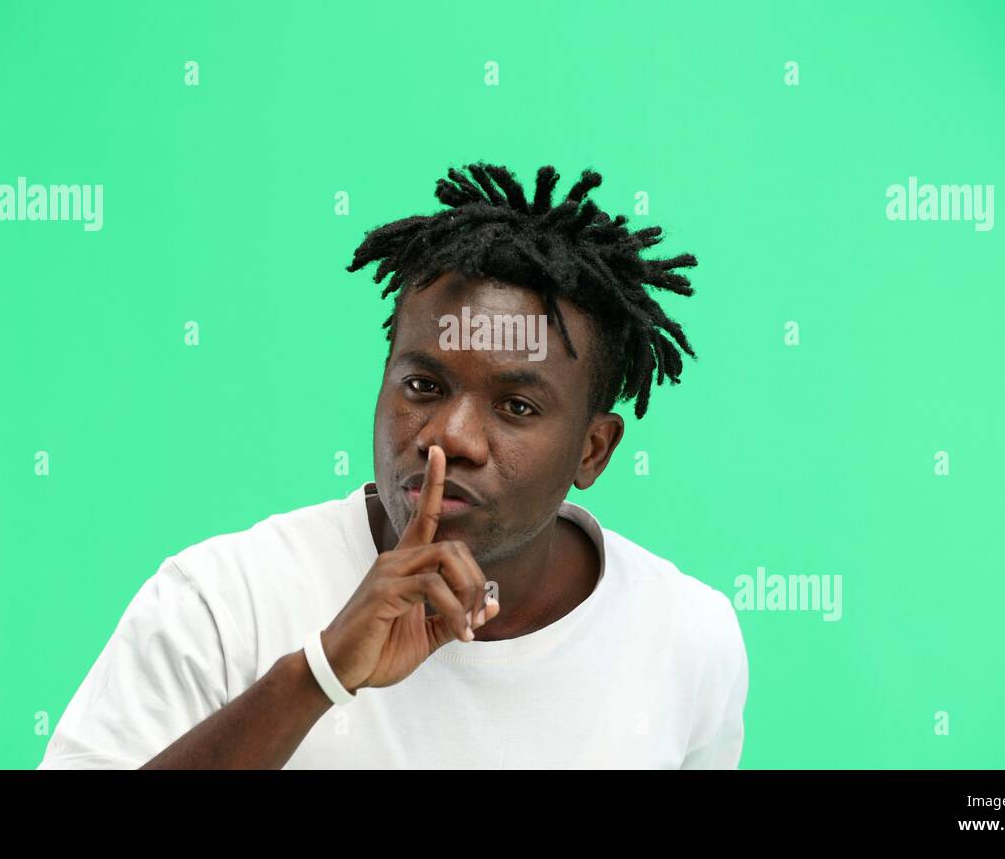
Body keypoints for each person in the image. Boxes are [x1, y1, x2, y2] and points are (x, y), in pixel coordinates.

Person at [37, 161, 748, 769]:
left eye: (516, 408)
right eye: (423, 388)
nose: (451, 436)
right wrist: (315, 677)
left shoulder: (685, 636)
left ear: (593, 450)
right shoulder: (222, 602)